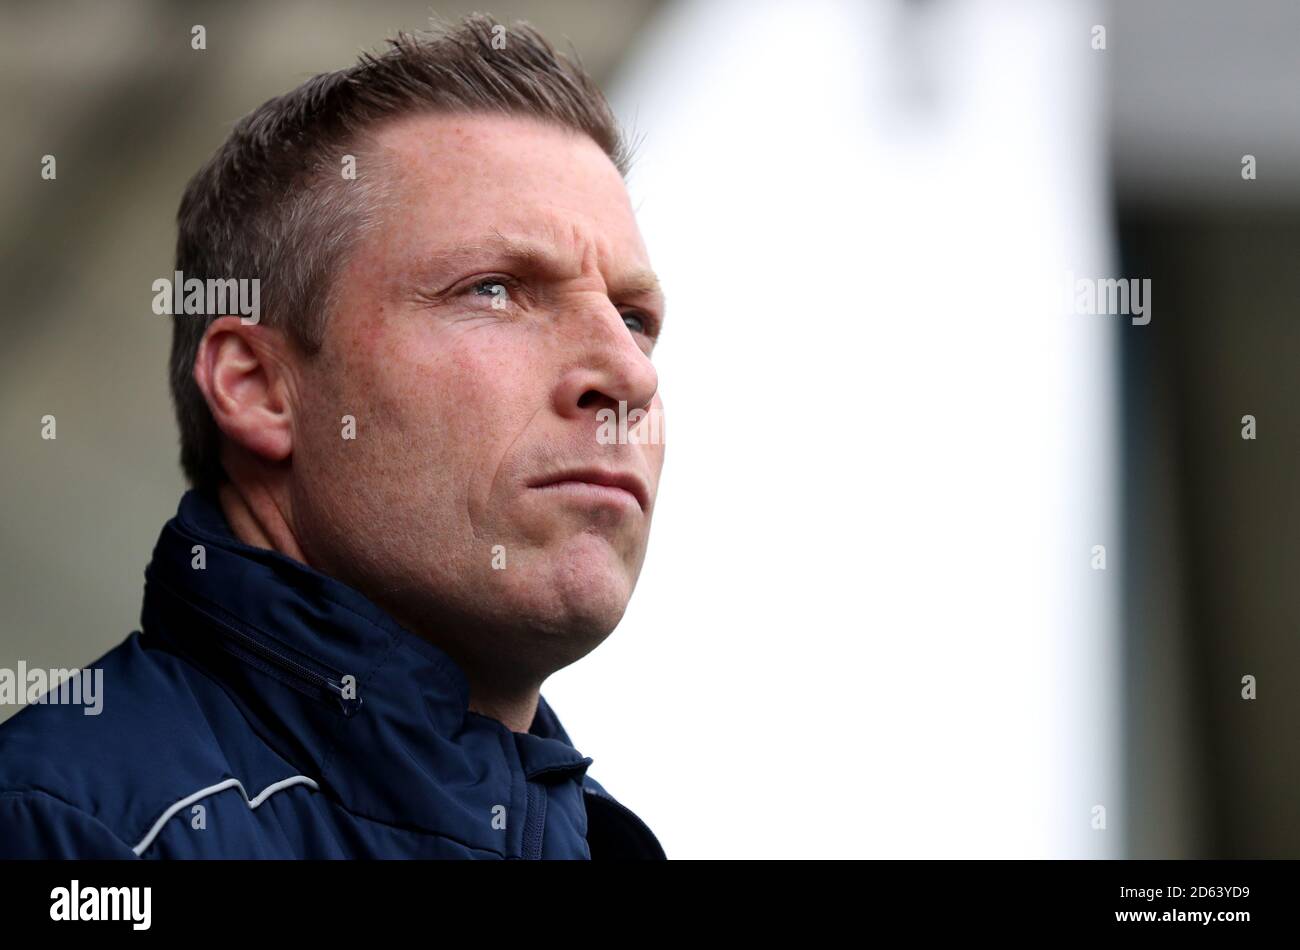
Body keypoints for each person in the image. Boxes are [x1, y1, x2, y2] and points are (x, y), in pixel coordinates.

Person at [0, 13, 667, 859]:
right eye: (494, 290)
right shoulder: (66, 833)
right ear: (256, 389)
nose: (631, 375)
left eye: (636, 318)